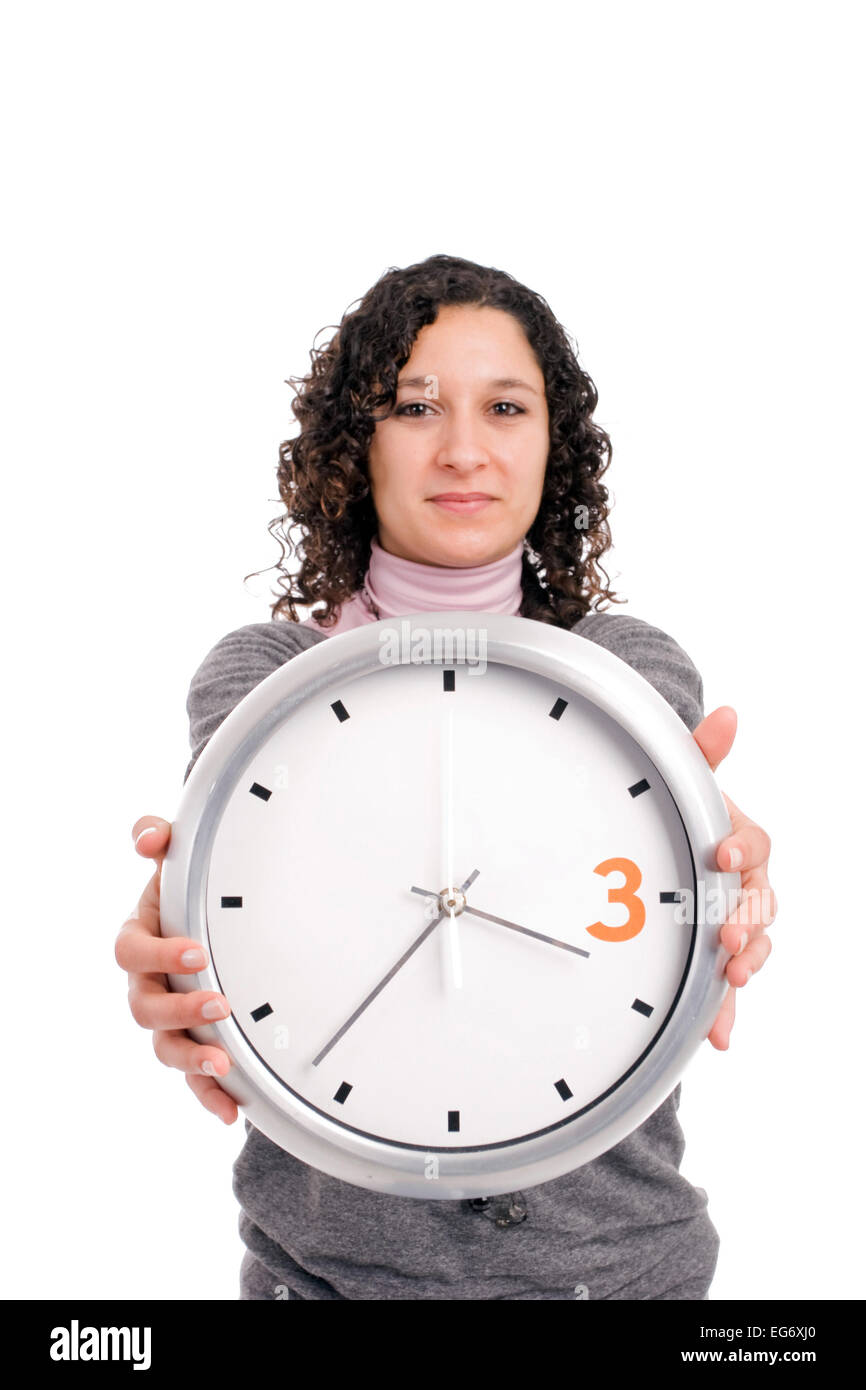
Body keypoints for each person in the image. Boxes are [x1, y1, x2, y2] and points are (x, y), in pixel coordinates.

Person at [116, 254, 775, 1300]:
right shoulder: (258, 679)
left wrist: (727, 880)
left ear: (550, 442)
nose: (462, 448)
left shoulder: (629, 668)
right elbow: (219, 883)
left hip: (617, 1279)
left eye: (504, 407)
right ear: (354, 444)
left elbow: (678, 867)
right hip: (327, 1279)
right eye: (413, 407)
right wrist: (173, 928)